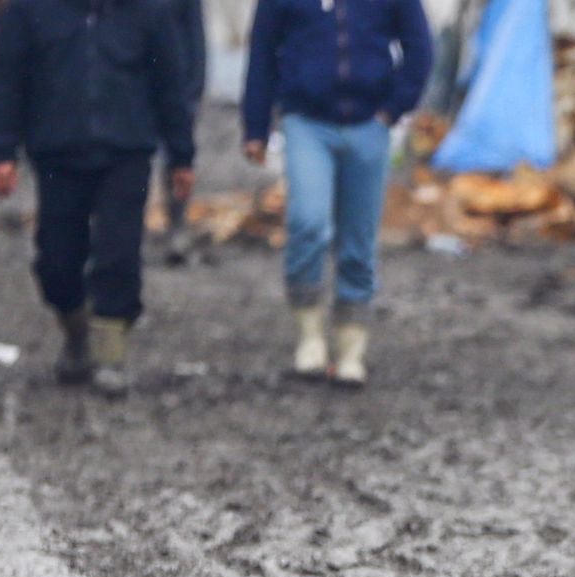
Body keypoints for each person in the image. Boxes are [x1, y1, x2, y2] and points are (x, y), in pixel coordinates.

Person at [0, 0, 194, 395]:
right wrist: (1, 151)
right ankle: (76, 330)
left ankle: (110, 354)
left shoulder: (148, 12)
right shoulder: (31, 11)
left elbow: (170, 82)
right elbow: (7, 79)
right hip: (56, 152)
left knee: (119, 254)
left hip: (126, 151)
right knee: (57, 260)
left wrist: (181, 156)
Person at [242, 0, 433, 387]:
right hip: (306, 122)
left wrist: (394, 107)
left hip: (369, 125)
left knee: (359, 240)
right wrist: (255, 126)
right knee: (307, 222)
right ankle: (310, 335)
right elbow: (262, 51)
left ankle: (350, 347)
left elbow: (420, 47)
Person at [160, 0, 204, 266]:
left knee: (176, 163)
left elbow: (195, 34)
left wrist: (194, 86)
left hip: (174, 85)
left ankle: (177, 228)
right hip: (130, 84)